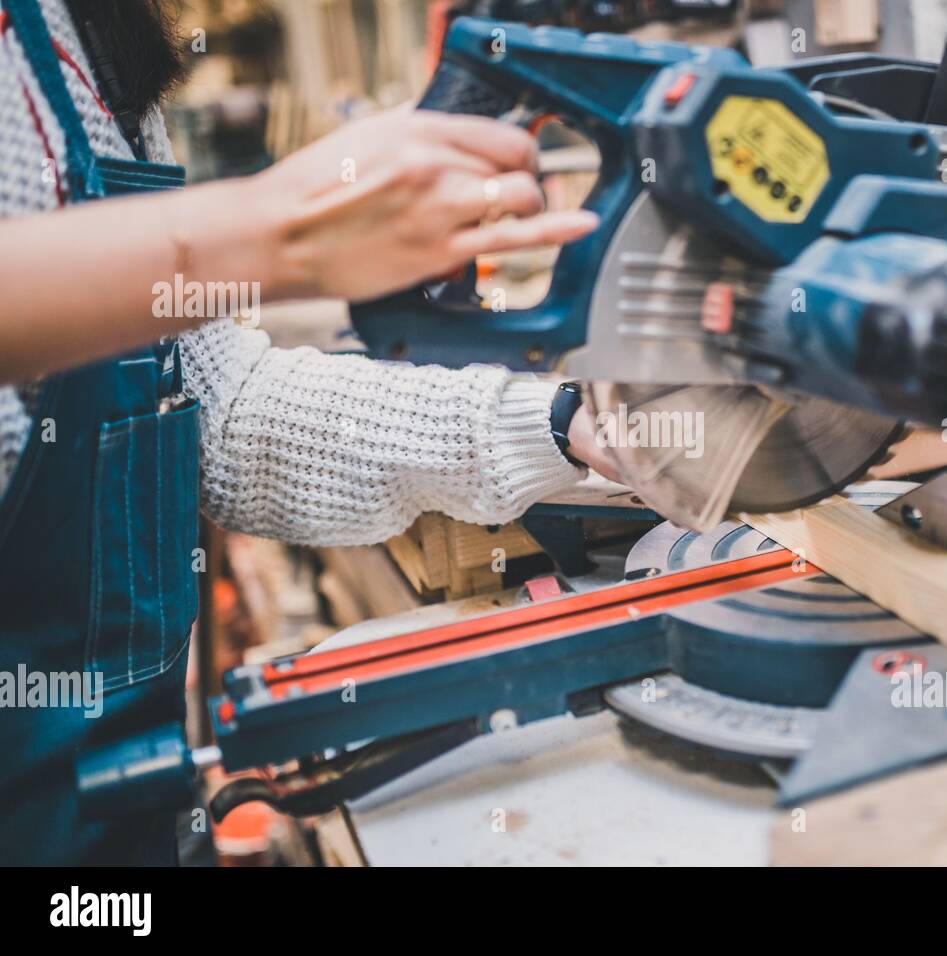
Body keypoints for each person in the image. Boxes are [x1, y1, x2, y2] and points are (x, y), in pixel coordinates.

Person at [0, 0, 615, 864]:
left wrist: (558, 424)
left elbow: (216, 405)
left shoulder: (88, 34)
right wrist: (270, 228)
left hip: (121, 808)